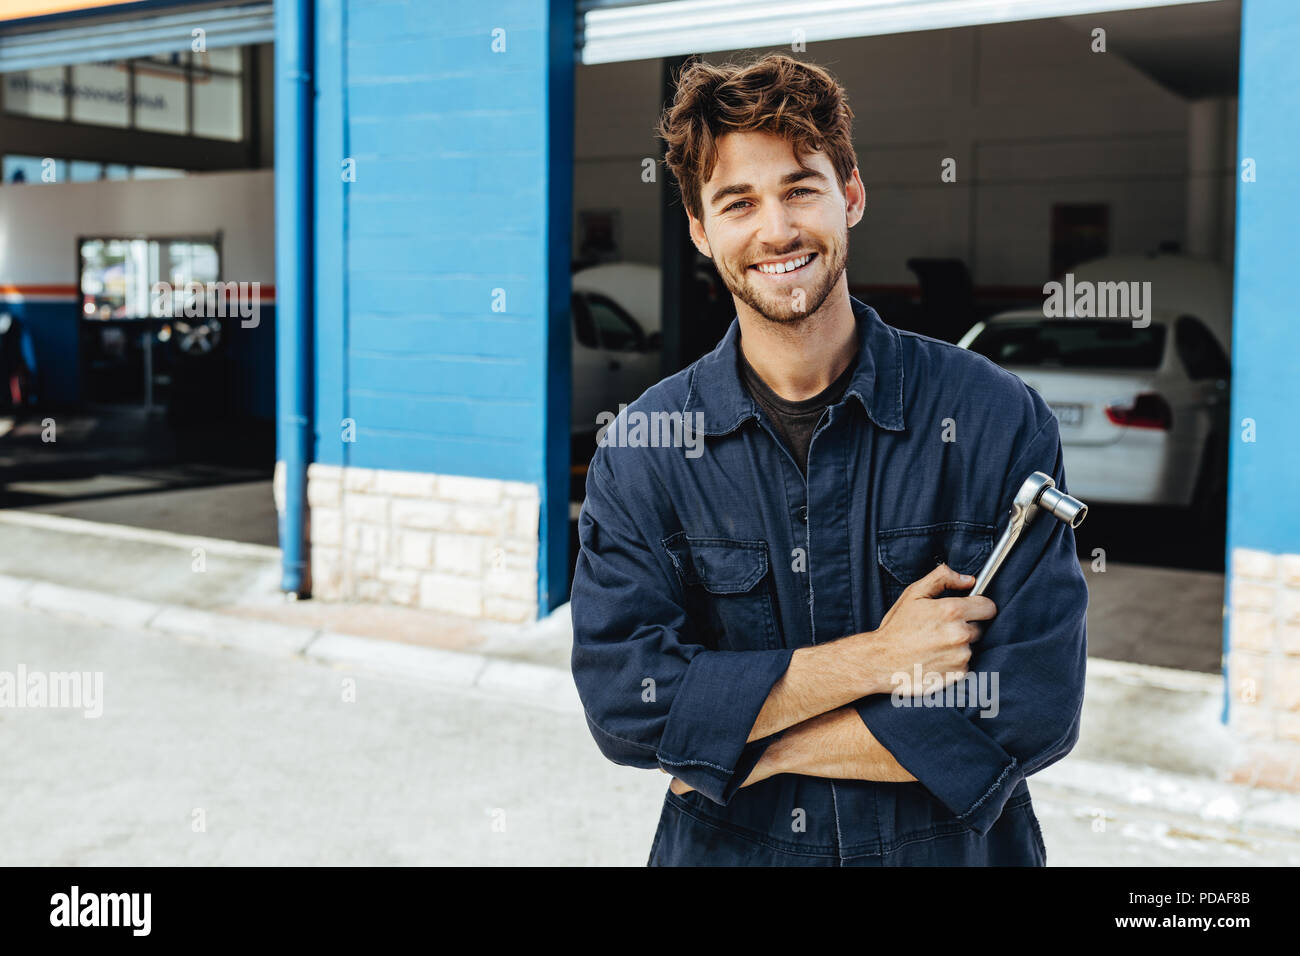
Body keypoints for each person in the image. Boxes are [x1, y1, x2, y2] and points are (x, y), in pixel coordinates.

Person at [569, 53, 1088, 866]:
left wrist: (746, 746)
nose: (775, 230)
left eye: (800, 189)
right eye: (738, 202)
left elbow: (1030, 709)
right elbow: (627, 706)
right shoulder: (646, 449)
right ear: (702, 234)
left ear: (850, 194)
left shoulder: (990, 418)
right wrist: (877, 660)